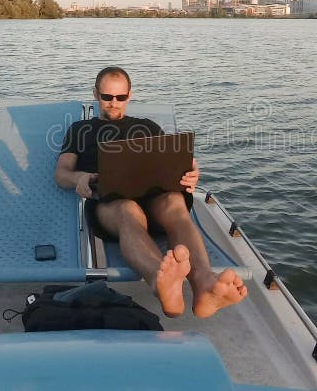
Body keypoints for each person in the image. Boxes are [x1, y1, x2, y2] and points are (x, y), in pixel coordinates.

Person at [54, 66, 247, 318]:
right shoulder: (80, 130)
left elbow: (173, 160)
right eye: (107, 97)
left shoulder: (147, 126)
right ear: (95, 93)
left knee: (175, 202)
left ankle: (205, 285)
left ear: (129, 96)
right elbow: (61, 172)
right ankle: (161, 282)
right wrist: (79, 177)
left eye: (120, 97)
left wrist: (190, 170)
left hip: (155, 196)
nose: (114, 103)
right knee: (128, 209)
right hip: (111, 202)